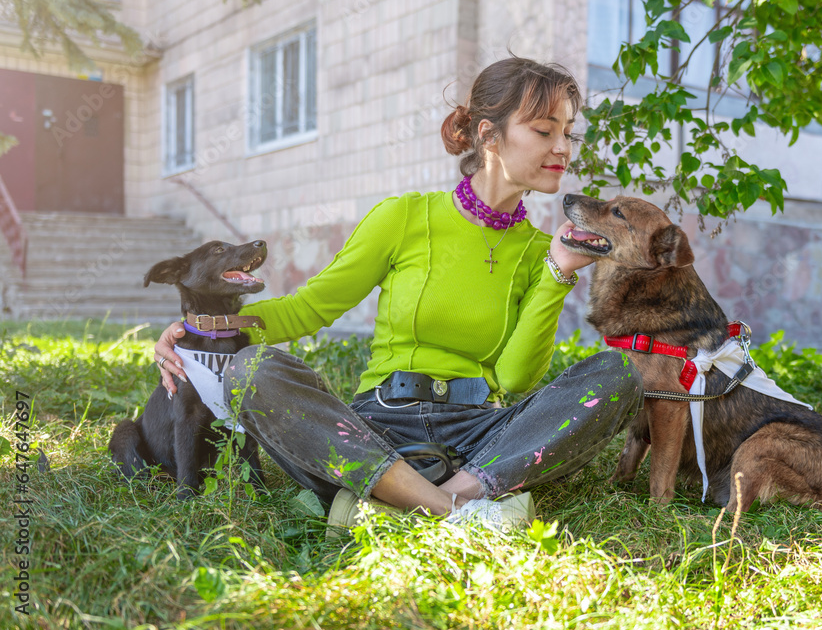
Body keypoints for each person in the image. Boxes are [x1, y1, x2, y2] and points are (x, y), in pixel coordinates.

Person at [153, 57, 643, 530]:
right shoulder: (404, 216)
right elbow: (310, 308)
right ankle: (459, 511)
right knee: (252, 369)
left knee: (619, 371)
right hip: (375, 426)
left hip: (478, 434)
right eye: (544, 130)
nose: (563, 148)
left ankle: (394, 501)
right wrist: (203, 327)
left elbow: (515, 378)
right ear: (488, 135)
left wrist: (558, 271)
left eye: (568, 132)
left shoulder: (542, 251)